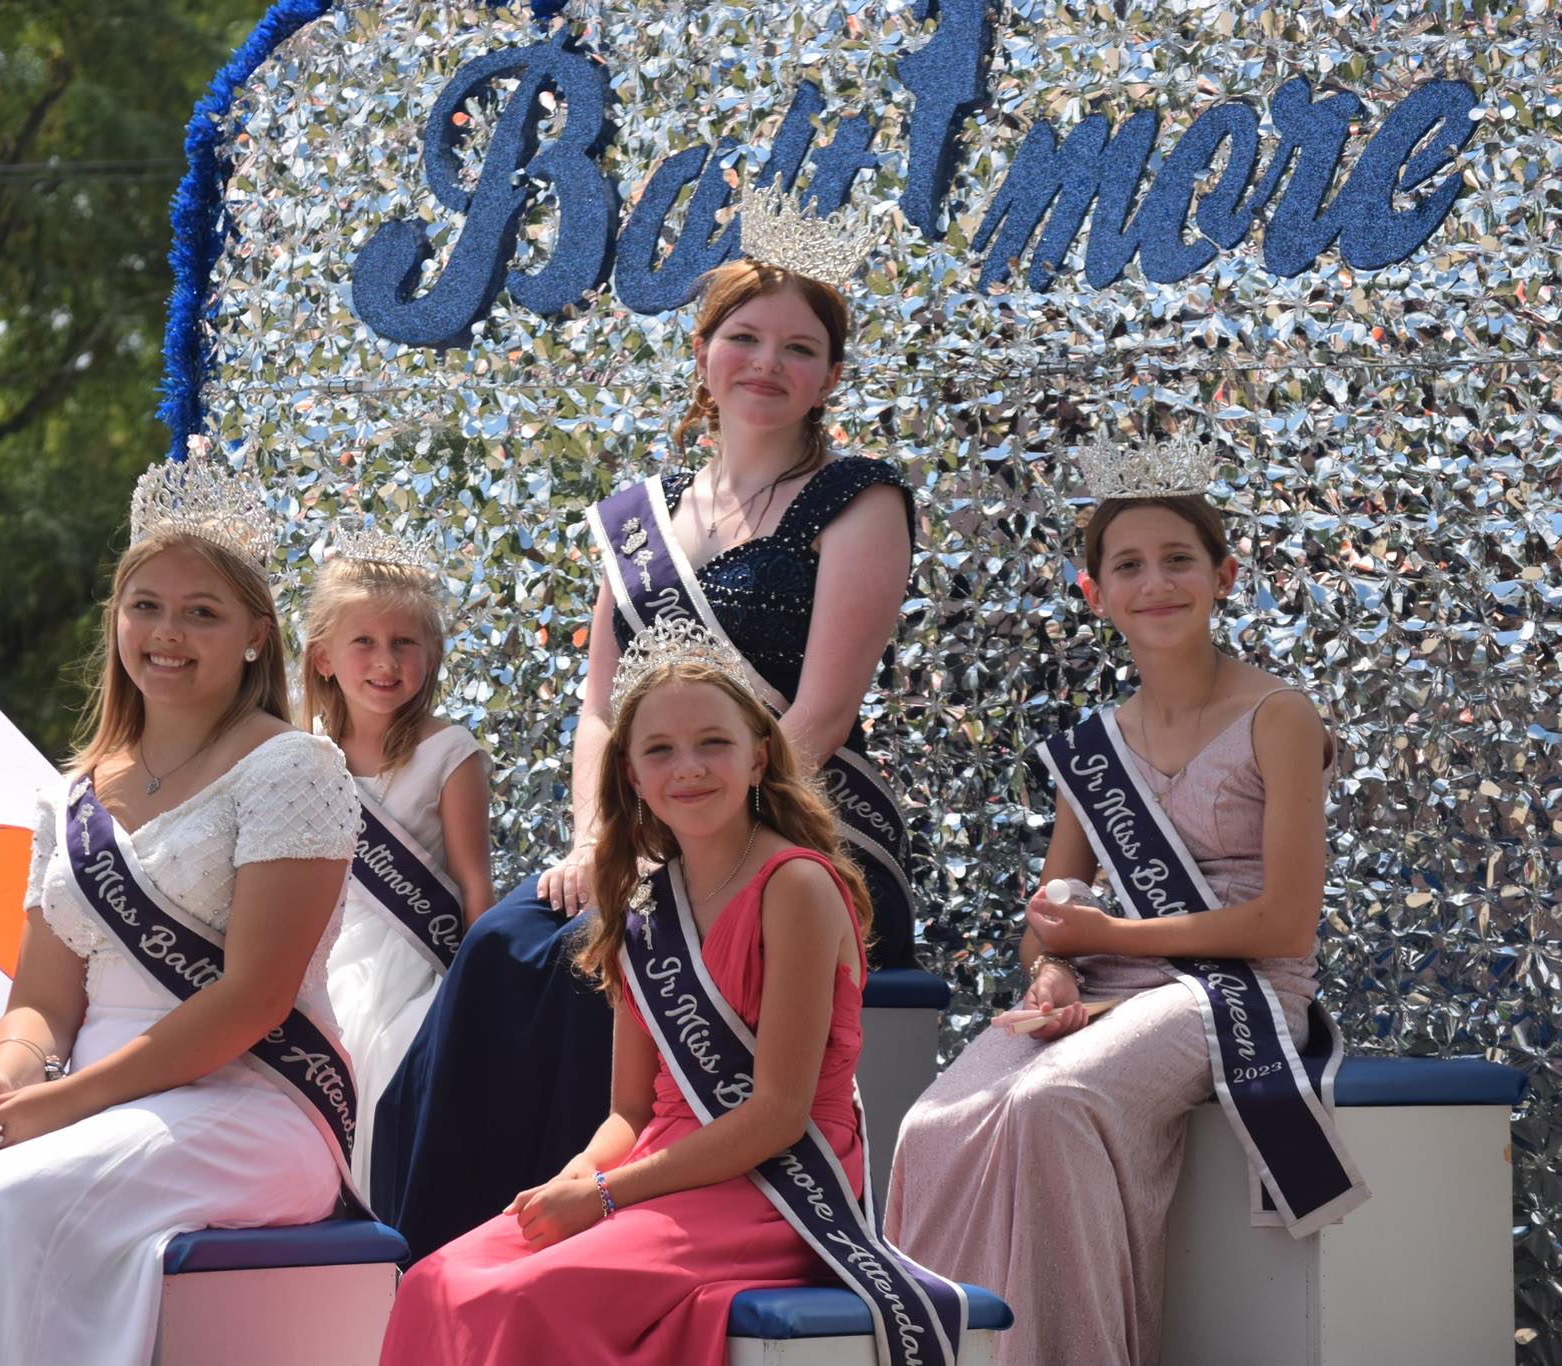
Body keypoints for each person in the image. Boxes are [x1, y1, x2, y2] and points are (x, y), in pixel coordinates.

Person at [373, 188, 917, 1259]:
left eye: (799, 348)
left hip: (796, 828)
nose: (767, 364)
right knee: (508, 946)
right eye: (744, 338)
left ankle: (600, 1229)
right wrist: (598, 840)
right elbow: (598, 708)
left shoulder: (861, 500)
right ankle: (456, 1239)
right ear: (703, 353)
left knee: (602, 962)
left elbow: (819, 712)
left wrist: (687, 838)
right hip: (652, 820)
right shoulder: (640, 518)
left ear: (829, 376)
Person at [0, 449, 362, 1365]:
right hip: (80, 1101)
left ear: (256, 633)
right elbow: (43, 1002)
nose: (167, 633)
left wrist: (56, 1107)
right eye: (145, 606)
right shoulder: (69, 798)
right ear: (116, 619)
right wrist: (5, 1076)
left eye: (202, 612)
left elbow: (254, 999)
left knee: (15, 1196)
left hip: (252, 1101)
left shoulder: (294, 769)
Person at [886, 439, 1367, 1366]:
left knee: (1054, 1102)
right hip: (1109, 983)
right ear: (1094, 592)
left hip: (1237, 991)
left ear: (1223, 577)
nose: (1156, 583)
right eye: (1129, 566)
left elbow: (1285, 923)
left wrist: (1108, 934)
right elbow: (1049, 920)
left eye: (1178, 559)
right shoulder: (1095, 744)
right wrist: (1055, 969)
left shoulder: (1280, 716)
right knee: (931, 1125)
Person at [379, 616, 961, 1364]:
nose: (688, 768)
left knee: (521, 1297)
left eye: (712, 742)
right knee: (436, 1281)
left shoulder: (797, 886)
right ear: (630, 774)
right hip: (658, 1174)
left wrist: (606, 1195)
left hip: (777, 1189)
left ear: (759, 756)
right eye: (659, 749)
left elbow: (778, 1115)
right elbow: (630, 1110)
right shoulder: (645, 902)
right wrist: (579, 1175)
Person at [303, 524, 493, 1190]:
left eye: (404, 643)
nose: (385, 662)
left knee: (388, 1057)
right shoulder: (302, 752)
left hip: (420, 963)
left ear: (431, 655)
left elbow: (474, 887)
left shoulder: (451, 753)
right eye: (364, 642)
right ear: (324, 658)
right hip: (320, 954)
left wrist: (480, 994)